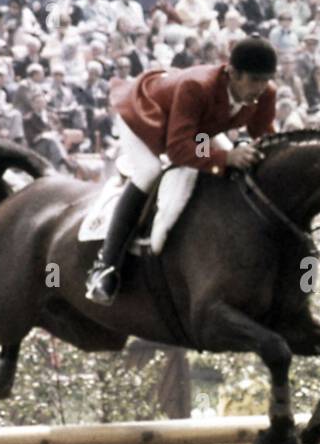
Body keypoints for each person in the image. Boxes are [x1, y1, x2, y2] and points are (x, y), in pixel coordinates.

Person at [86, 37, 278, 304]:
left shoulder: (266, 92)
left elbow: (266, 137)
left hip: (196, 128)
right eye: (254, 80)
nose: (260, 88)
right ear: (233, 73)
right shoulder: (196, 86)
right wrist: (226, 157)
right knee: (150, 171)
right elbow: (177, 149)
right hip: (144, 116)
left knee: (233, 161)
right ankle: (105, 266)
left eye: (265, 80)